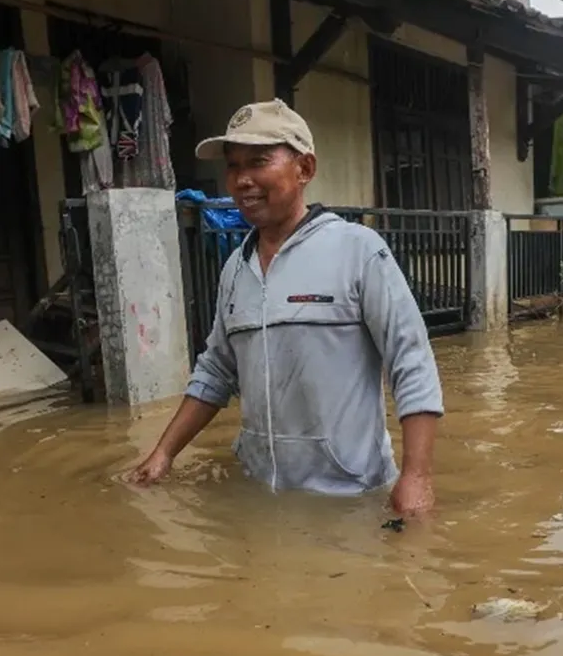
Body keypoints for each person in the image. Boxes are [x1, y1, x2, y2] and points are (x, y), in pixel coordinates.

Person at [128, 99, 444, 516]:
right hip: (260, 495)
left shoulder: (358, 250)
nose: (242, 181)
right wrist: (163, 455)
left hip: (352, 497)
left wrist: (416, 477)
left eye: (258, 161)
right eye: (233, 166)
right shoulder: (234, 269)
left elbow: (412, 362)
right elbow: (216, 372)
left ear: (305, 169)